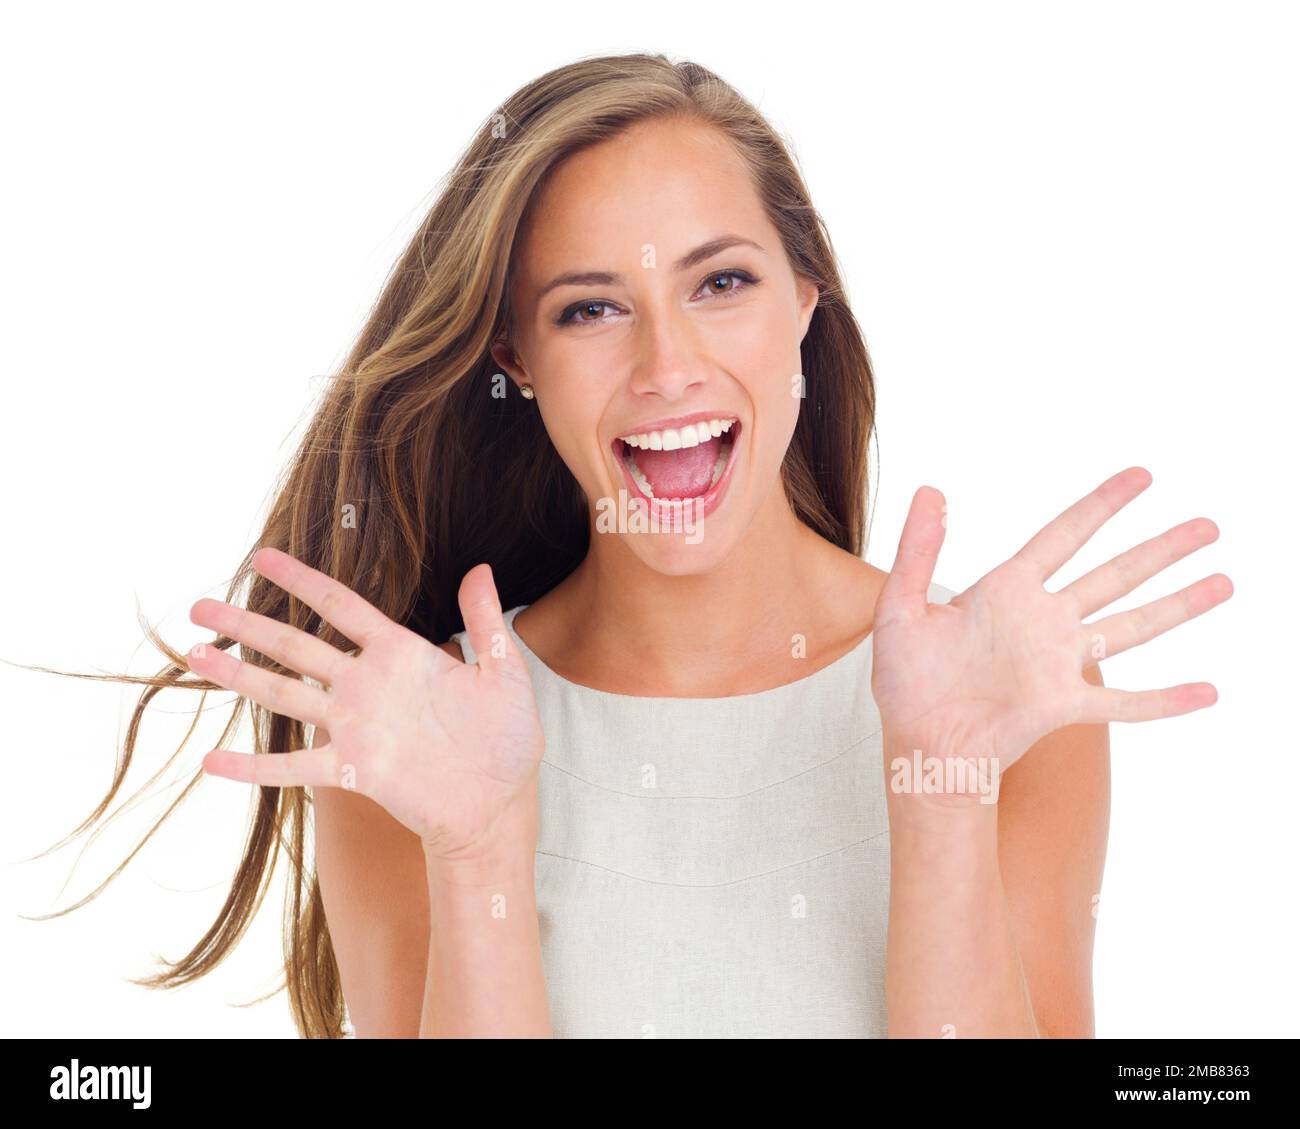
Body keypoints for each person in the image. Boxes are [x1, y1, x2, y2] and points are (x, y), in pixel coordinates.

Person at [49, 53, 1233, 1038]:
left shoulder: (1000, 699)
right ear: (513, 356)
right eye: (590, 307)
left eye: (722, 281)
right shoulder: (407, 738)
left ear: (805, 303)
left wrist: (940, 795)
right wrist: (477, 857)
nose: (668, 365)